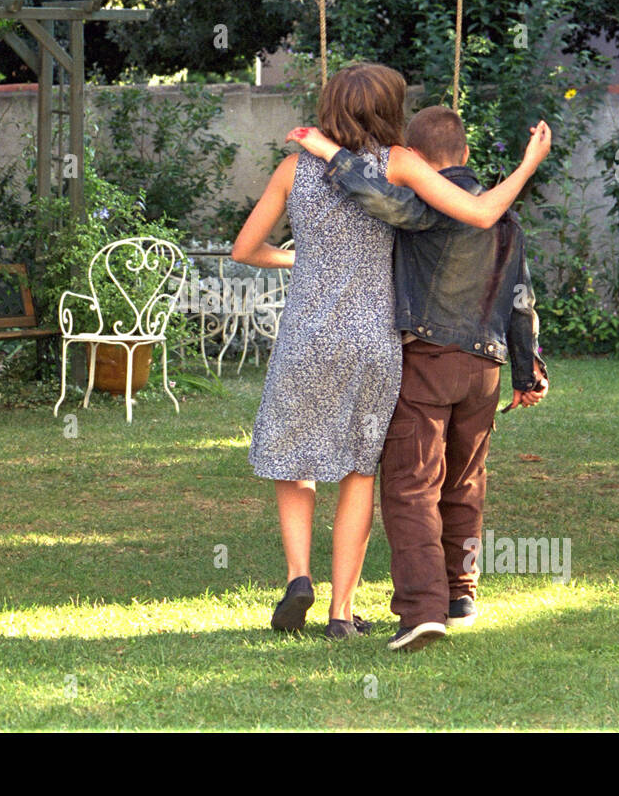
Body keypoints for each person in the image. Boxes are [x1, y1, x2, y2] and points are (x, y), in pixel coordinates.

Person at [231, 62, 550, 639]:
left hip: (306, 334)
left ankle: (298, 576)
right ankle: (340, 613)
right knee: (359, 471)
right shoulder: (400, 164)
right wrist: (528, 163)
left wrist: (298, 260)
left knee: (291, 460)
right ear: (389, 109)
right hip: (374, 339)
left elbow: (245, 249)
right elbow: (480, 214)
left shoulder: (292, 168)